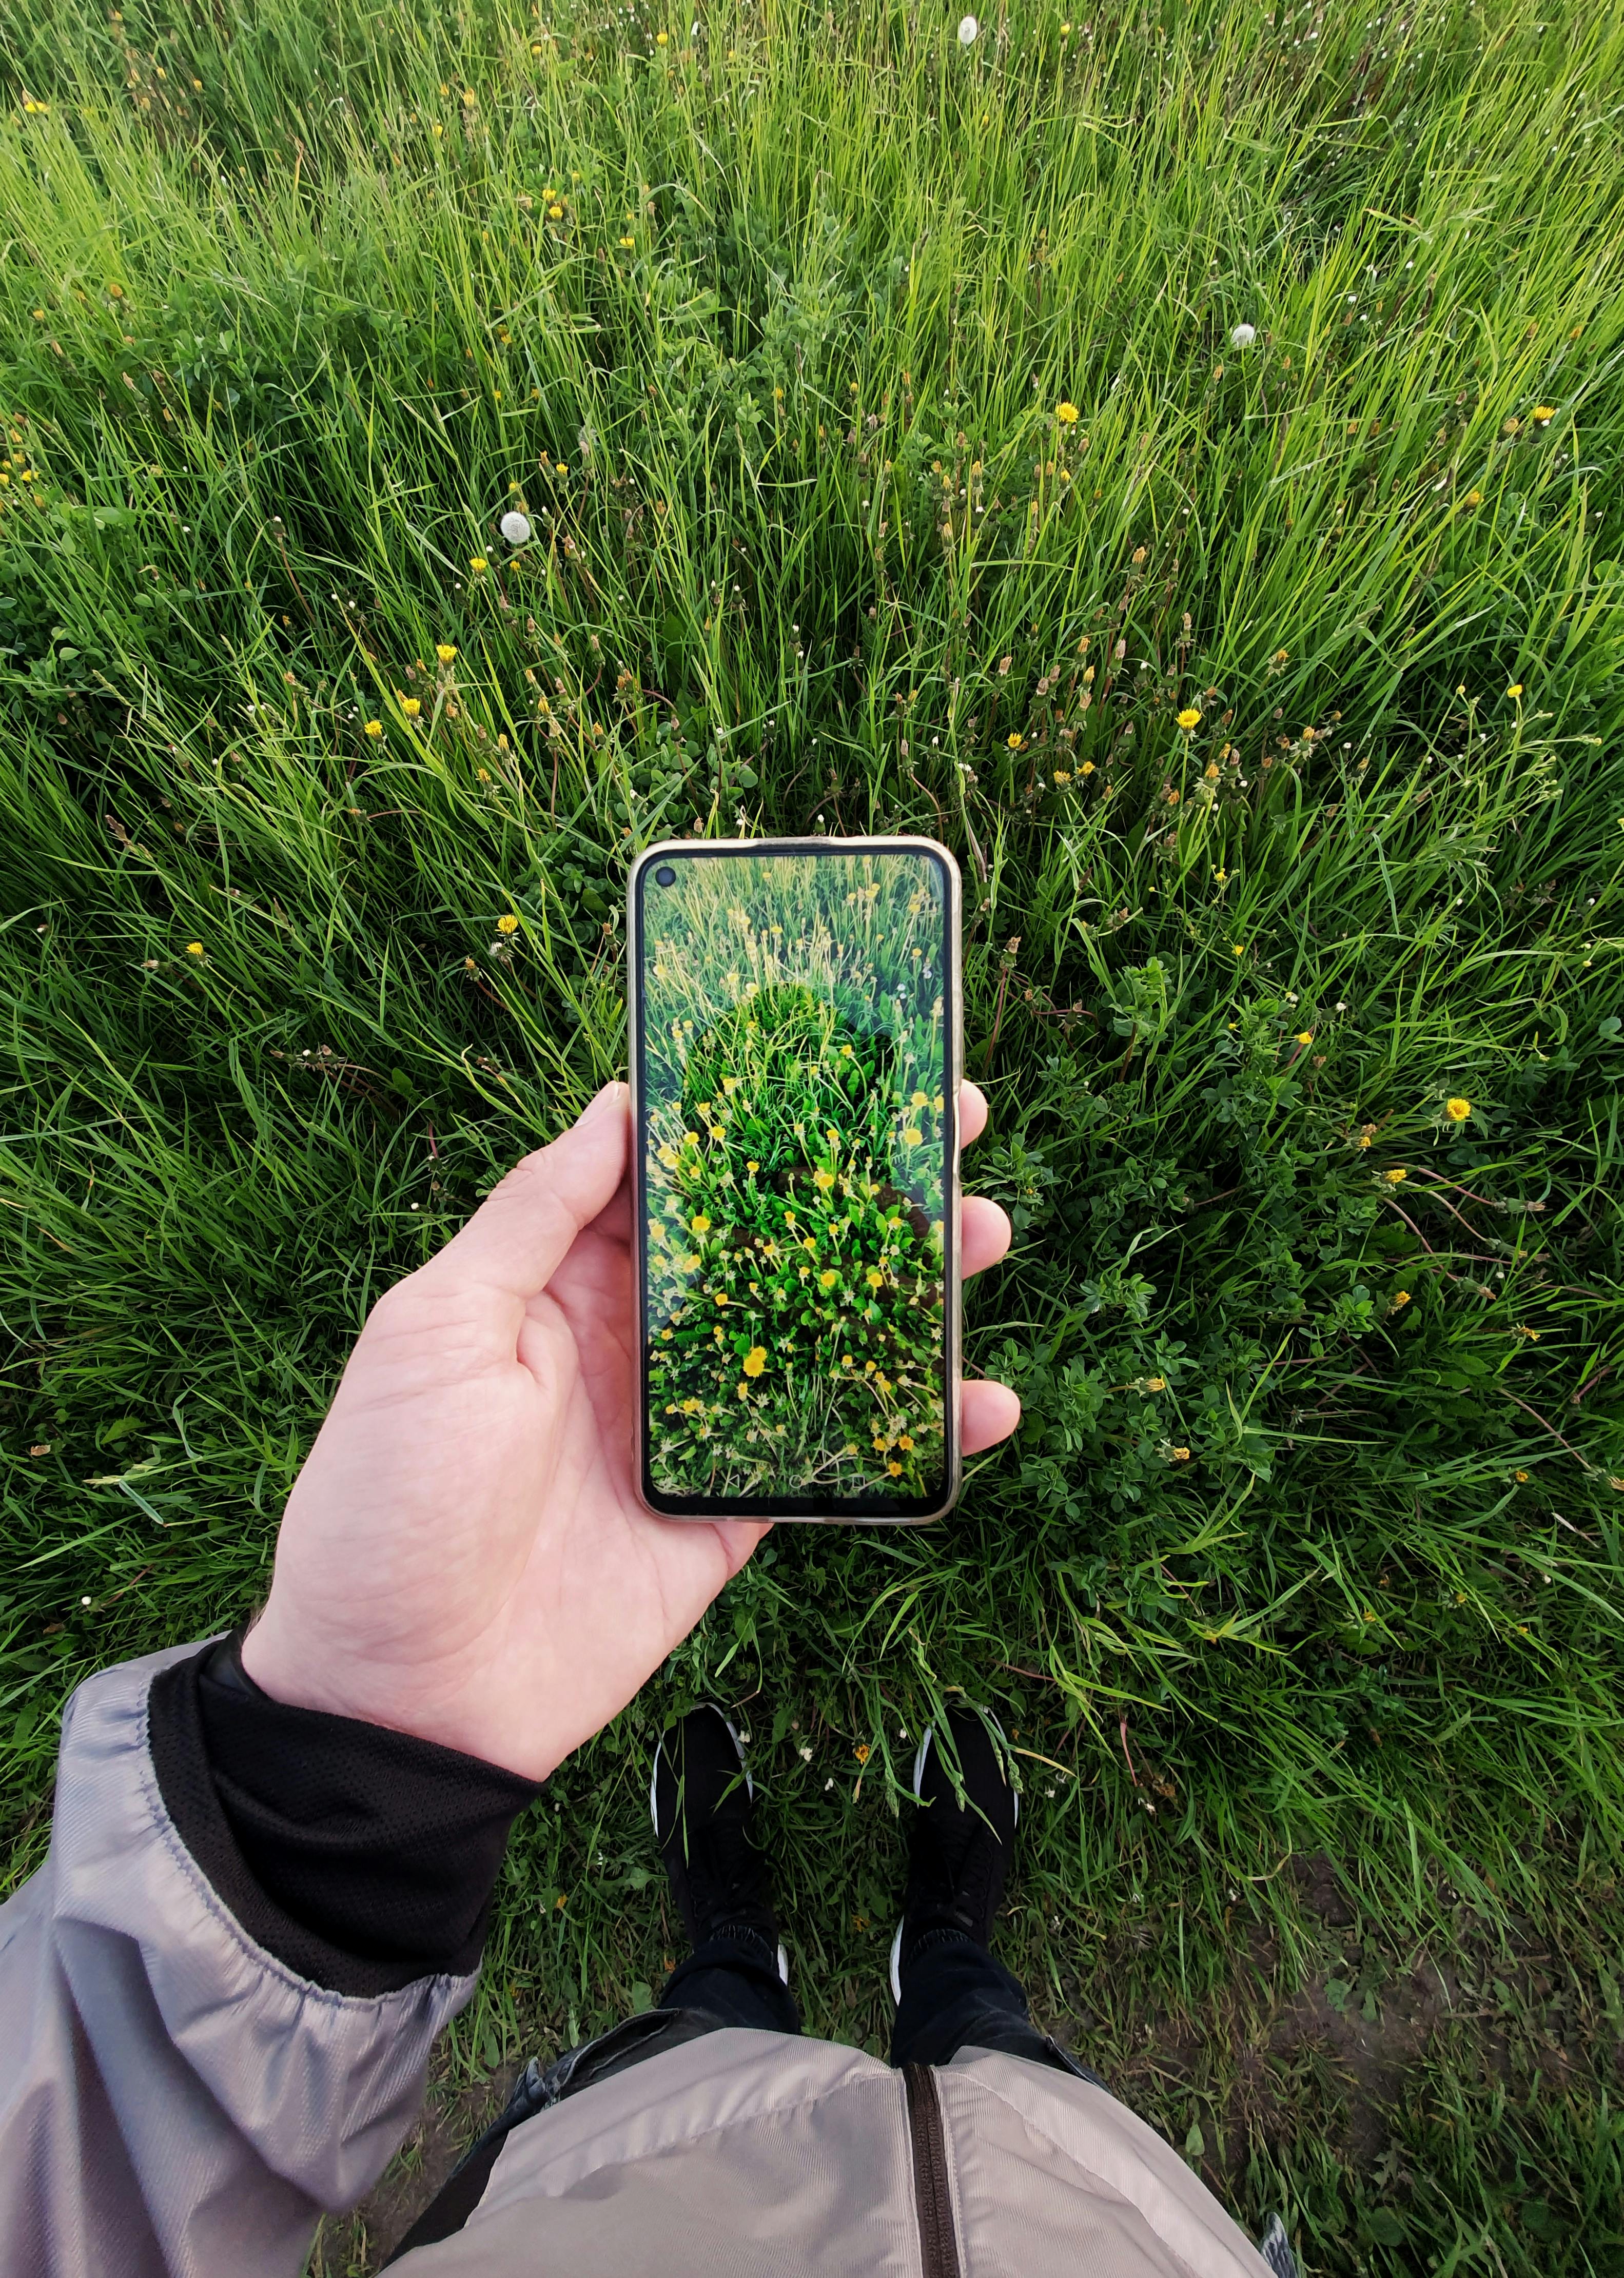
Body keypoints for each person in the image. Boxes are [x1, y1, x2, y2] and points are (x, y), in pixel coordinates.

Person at [0, 1083, 1294, 2277]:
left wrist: (325, 1793)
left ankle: (744, 1955)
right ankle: (938, 1957)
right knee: (995, 2062)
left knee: (698, 2049)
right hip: (1084, 2227)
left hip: (620, 2207)